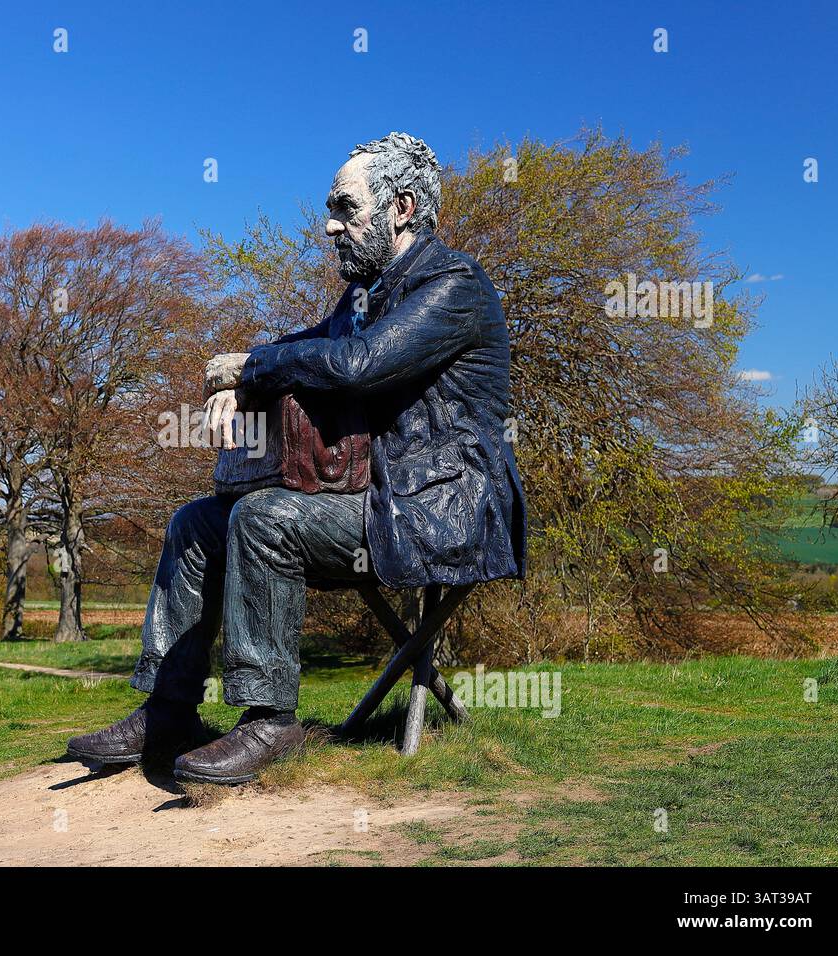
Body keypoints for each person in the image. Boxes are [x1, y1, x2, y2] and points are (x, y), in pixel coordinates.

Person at [67, 132, 526, 784]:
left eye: (345, 208)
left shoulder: (455, 285)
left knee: (264, 516)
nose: (330, 225)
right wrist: (236, 379)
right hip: (373, 498)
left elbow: (354, 366)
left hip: (444, 508)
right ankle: (169, 710)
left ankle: (270, 722)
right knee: (195, 524)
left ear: (400, 208)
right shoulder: (362, 297)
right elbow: (305, 347)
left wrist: (247, 366)